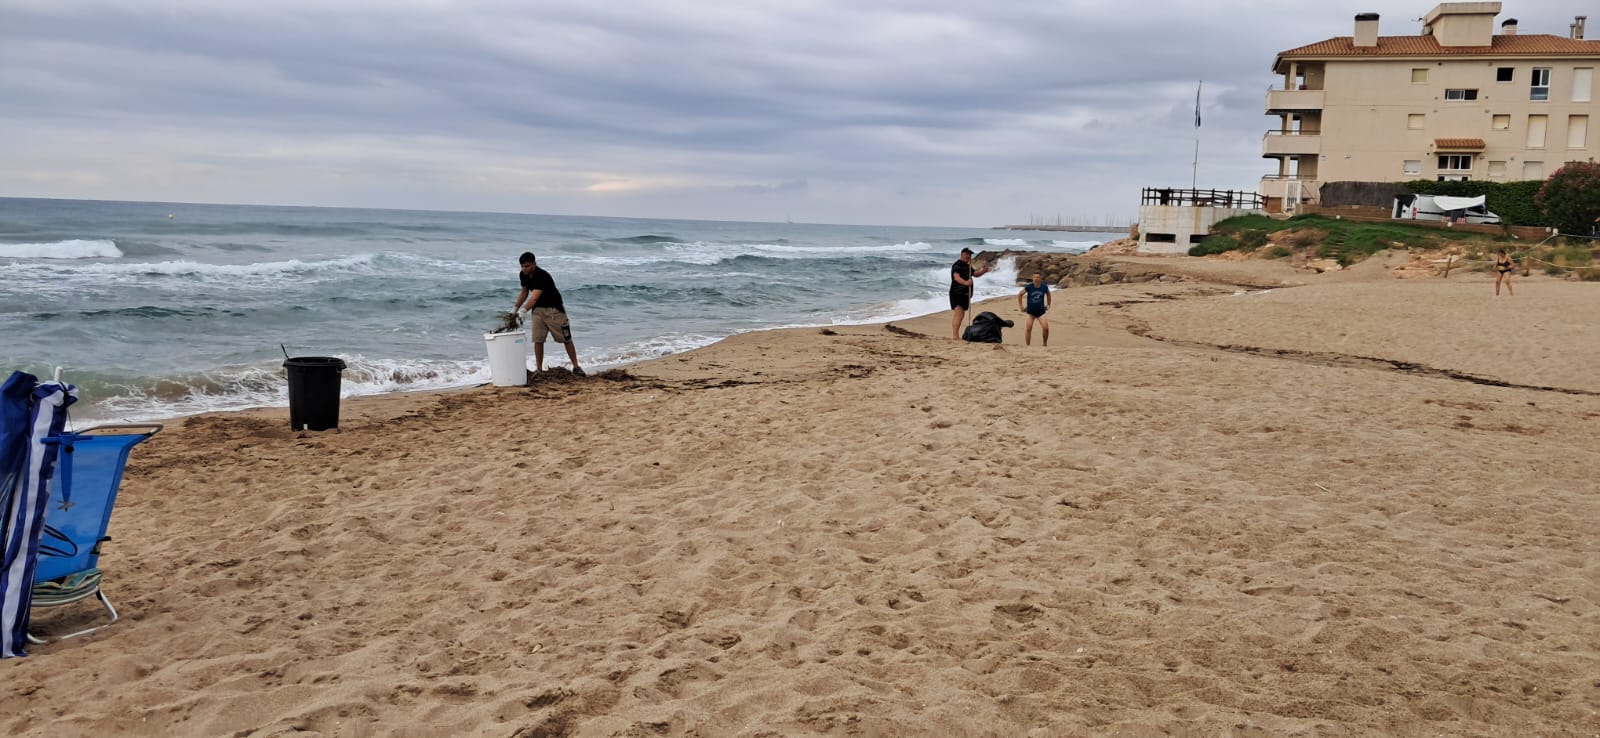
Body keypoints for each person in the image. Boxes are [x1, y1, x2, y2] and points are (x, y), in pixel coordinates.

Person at [514, 252, 586, 376]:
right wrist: (515, 309)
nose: (523, 269)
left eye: (526, 266)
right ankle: (539, 369)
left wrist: (524, 310)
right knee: (538, 340)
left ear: (534, 264)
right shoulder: (523, 275)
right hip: (537, 311)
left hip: (554, 310)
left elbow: (535, 297)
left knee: (566, 339)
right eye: (522, 266)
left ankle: (576, 366)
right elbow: (525, 292)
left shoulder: (542, 276)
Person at [949, 247, 990, 339]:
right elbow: (956, 277)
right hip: (957, 293)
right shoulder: (957, 265)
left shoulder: (967, 266)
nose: (969, 256)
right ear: (962, 254)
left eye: (970, 254)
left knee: (962, 314)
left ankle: (956, 335)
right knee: (959, 313)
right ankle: (955, 336)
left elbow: (975, 274)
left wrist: (983, 271)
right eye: (967, 254)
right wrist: (965, 282)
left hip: (965, 294)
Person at [1017, 272, 1051, 346]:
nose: (1036, 279)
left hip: (1041, 312)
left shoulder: (1044, 287)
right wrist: (1021, 306)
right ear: (1032, 279)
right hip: (1031, 312)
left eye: (1038, 277)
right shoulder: (1029, 287)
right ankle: (1027, 346)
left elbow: (1048, 294)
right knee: (1028, 329)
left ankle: (1044, 344)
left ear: (1040, 278)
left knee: (1046, 328)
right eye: (1034, 277)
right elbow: (1020, 294)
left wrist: (1048, 304)